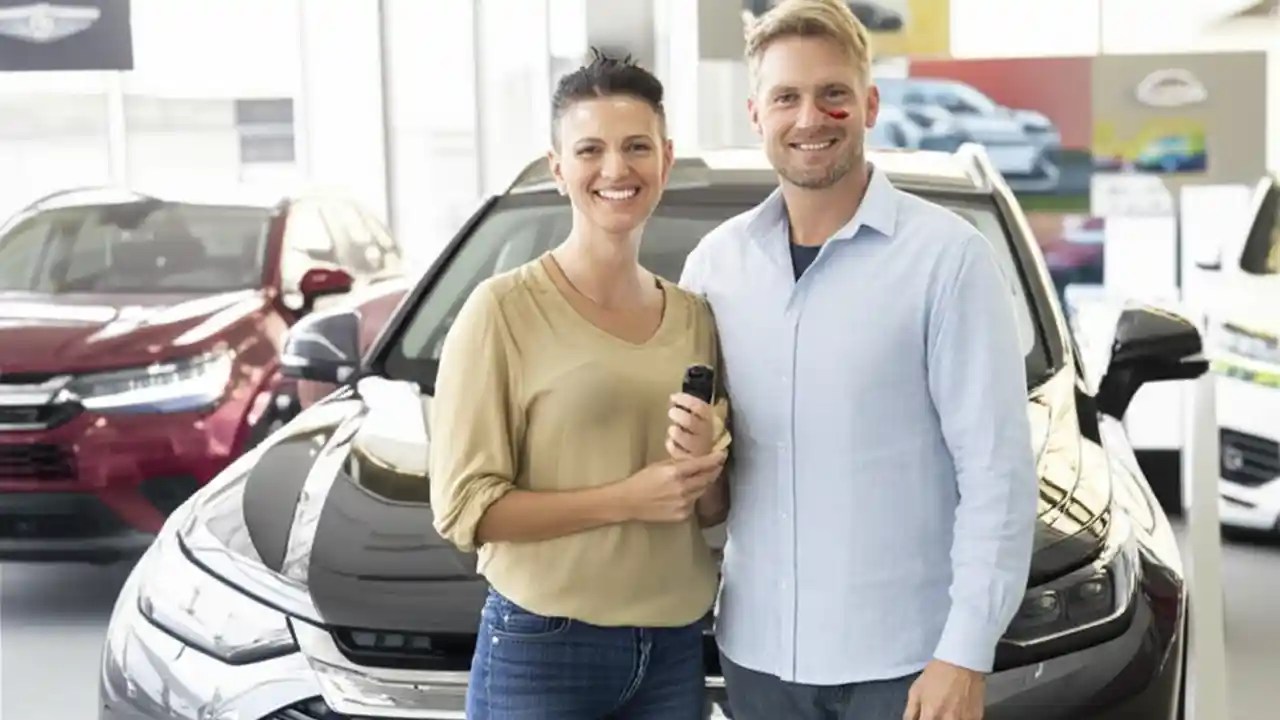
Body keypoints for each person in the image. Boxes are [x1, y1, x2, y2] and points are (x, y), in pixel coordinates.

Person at [678, 1, 1038, 719]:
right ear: (757, 113)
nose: (810, 117)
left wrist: (964, 654)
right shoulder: (716, 267)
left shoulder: (948, 260)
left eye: (833, 93)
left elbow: (997, 472)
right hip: (757, 658)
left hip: (904, 667)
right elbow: (707, 465)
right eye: (787, 97)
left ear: (869, 103)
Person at [428, 50, 732, 720]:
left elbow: (711, 511)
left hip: (676, 643)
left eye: (635, 147)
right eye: (590, 149)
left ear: (666, 158)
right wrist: (626, 498)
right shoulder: (502, 310)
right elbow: (464, 512)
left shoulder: (695, 317)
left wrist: (703, 462)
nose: (616, 169)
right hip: (545, 646)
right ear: (557, 167)